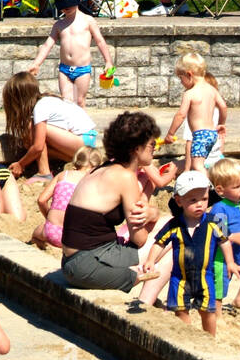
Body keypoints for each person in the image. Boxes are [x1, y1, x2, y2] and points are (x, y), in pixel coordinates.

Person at [60, 111, 167, 296]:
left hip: (73, 261)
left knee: (167, 232)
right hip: (89, 265)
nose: (155, 148)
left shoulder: (103, 168)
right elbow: (139, 239)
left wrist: (150, 213)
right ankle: (145, 301)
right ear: (136, 148)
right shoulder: (125, 177)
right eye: (152, 144)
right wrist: (154, 214)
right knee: (176, 232)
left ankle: (146, 296)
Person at [145, 170, 240, 335]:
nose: (200, 204)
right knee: (180, 311)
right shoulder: (174, 224)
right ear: (179, 200)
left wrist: (231, 262)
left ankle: (210, 339)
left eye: (204, 199)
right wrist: (150, 261)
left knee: (207, 312)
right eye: (193, 200)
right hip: (180, 277)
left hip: (205, 277)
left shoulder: (216, 222)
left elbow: (225, 242)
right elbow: (159, 243)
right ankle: (187, 337)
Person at [26, 0, 114, 107]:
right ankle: (68, 126)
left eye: (69, 5)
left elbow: (100, 41)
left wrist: (108, 61)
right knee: (66, 102)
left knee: (79, 101)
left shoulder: (88, 21)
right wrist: (37, 63)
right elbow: (47, 45)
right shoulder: (59, 25)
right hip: (65, 69)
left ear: (77, 0)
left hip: (82, 69)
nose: (66, 9)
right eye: (63, 7)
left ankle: (80, 126)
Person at [2, 70, 99, 180]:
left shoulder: (40, 107)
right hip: (87, 141)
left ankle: (44, 172)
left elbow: (38, 147)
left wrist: (20, 164)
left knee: (32, 130)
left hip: (84, 141)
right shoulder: (45, 100)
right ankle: (67, 160)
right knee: (28, 142)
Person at [207, 158, 240, 315]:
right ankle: (217, 316)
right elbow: (218, 232)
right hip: (222, 255)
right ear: (220, 190)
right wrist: (232, 237)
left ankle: (239, 300)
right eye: (237, 186)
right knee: (221, 285)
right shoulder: (219, 208)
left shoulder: (238, 203)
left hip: (239, 252)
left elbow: (239, 219)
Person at [165, 51, 229, 172]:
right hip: (212, 134)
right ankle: (210, 184)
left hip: (200, 135)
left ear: (189, 74)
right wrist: (221, 124)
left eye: (181, 78)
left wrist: (170, 134)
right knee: (206, 163)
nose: (181, 82)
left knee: (197, 166)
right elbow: (223, 107)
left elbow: (181, 115)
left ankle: (209, 187)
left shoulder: (190, 93)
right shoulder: (212, 90)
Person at [32, 145, 104, 249]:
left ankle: (45, 244)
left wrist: (49, 217)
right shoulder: (93, 182)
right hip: (76, 237)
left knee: (36, 235)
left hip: (52, 232)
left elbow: (41, 200)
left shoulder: (63, 175)